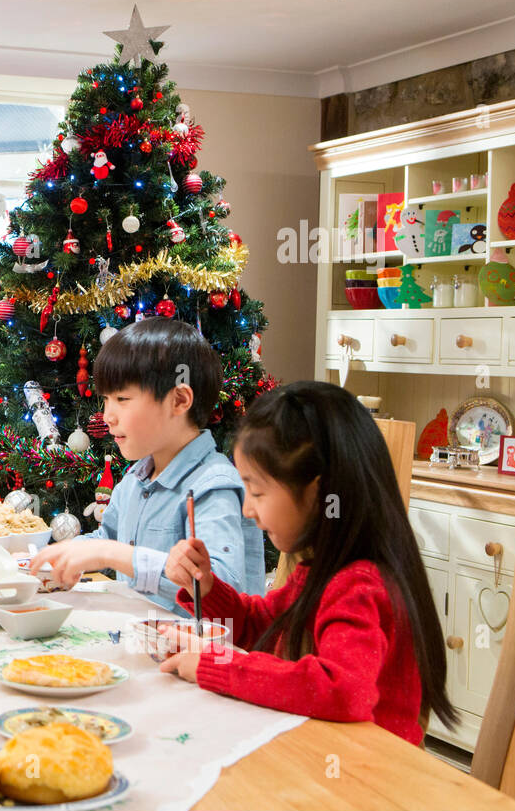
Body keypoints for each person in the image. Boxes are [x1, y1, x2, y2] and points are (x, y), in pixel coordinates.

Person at [158, 381, 458, 745]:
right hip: (325, 753)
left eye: (256, 492)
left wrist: (218, 665)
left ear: (318, 494)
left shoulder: (359, 584)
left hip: (371, 778)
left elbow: (341, 688)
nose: (247, 509)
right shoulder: (320, 572)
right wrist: (206, 587)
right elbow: (263, 628)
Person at [29, 318, 265, 613]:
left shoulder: (213, 485)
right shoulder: (135, 479)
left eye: (122, 399)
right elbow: (108, 539)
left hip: (203, 654)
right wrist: (55, 555)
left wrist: (110, 553)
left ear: (179, 400)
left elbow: (221, 586)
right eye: (105, 400)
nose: (107, 416)